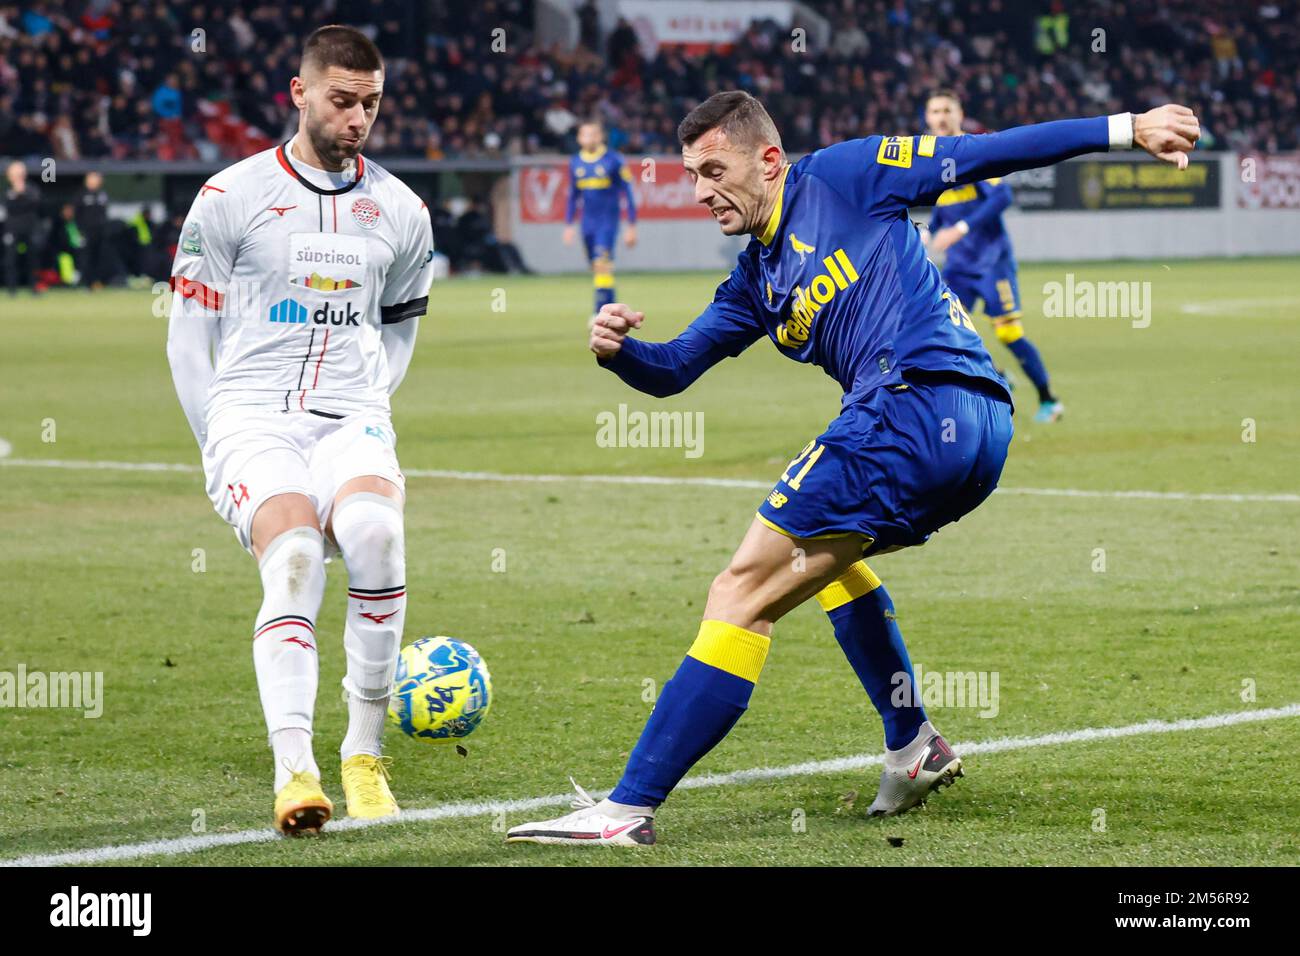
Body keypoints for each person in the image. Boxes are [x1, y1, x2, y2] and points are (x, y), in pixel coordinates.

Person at [507, 91, 1199, 846]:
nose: (700, 190)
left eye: (714, 169)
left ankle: (626, 809)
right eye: (691, 175)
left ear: (769, 160)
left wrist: (1126, 129)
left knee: (740, 591)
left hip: (911, 405)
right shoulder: (755, 280)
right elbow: (674, 368)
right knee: (830, 559)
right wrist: (620, 353)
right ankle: (912, 742)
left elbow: (981, 153)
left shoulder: (844, 175)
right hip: (972, 434)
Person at [165, 25, 434, 836]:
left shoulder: (401, 210)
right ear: (301, 93)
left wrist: (368, 406)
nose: (358, 118)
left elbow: (399, 330)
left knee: (377, 536)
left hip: (351, 417)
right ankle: (295, 769)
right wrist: (218, 436)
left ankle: (362, 753)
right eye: (343, 100)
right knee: (293, 559)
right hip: (251, 415)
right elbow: (186, 335)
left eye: (372, 104)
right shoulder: (229, 198)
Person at [922, 90, 1064, 422]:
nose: (941, 117)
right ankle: (997, 376)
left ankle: (1048, 400)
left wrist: (961, 229)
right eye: (934, 111)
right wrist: (928, 232)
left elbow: (1001, 196)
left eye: (947, 110)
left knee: (1008, 333)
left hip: (991, 262)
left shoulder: (975, 152)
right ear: (926, 118)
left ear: (959, 114)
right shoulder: (930, 159)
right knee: (943, 329)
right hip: (958, 266)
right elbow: (942, 214)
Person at [562, 119, 637, 319]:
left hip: (607, 222)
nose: (589, 138)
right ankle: (613, 311)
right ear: (579, 138)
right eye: (584, 135)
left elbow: (628, 194)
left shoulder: (614, 160)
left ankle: (598, 312)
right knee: (598, 270)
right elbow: (572, 197)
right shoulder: (575, 162)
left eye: (592, 134)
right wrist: (568, 225)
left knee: (601, 265)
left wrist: (631, 226)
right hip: (587, 224)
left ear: (600, 136)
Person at [2, 160, 45, 295]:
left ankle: (34, 287)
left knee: (32, 259)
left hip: (30, 228)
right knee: (10, 260)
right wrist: (17, 195)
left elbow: (36, 205)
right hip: (12, 229)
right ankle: (12, 289)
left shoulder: (32, 189)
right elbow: (7, 208)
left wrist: (21, 194)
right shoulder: (6, 191)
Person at [76, 171, 113, 290]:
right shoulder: (82, 194)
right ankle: (86, 283)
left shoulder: (102, 194)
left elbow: (105, 212)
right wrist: (80, 231)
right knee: (86, 258)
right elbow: (77, 214)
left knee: (100, 257)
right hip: (86, 232)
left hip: (100, 232)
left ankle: (97, 282)